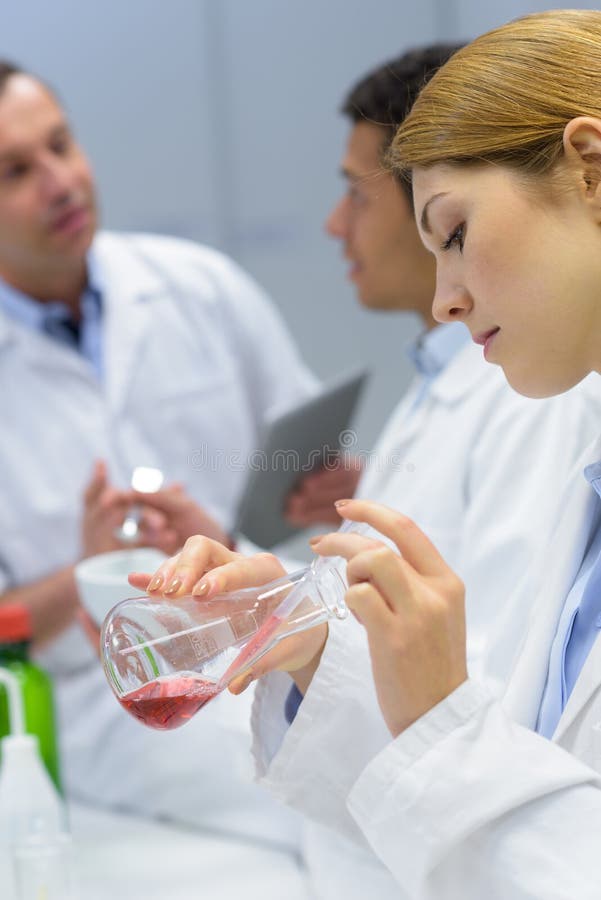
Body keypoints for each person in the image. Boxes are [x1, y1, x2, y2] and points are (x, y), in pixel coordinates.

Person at [139, 23, 601, 898]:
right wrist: (305, 645)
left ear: (590, 169)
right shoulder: (587, 453)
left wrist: (438, 711)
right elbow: (517, 771)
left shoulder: (541, 411)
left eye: (455, 233)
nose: (446, 298)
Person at [0, 60, 317, 846]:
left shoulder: (200, 284)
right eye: (15, 171)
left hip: (265, 636)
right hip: (99, 708)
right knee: (311, 804)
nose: (61, 182)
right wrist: (86, 577)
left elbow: (317, 457)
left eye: (62, 146)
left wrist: (237, 521)